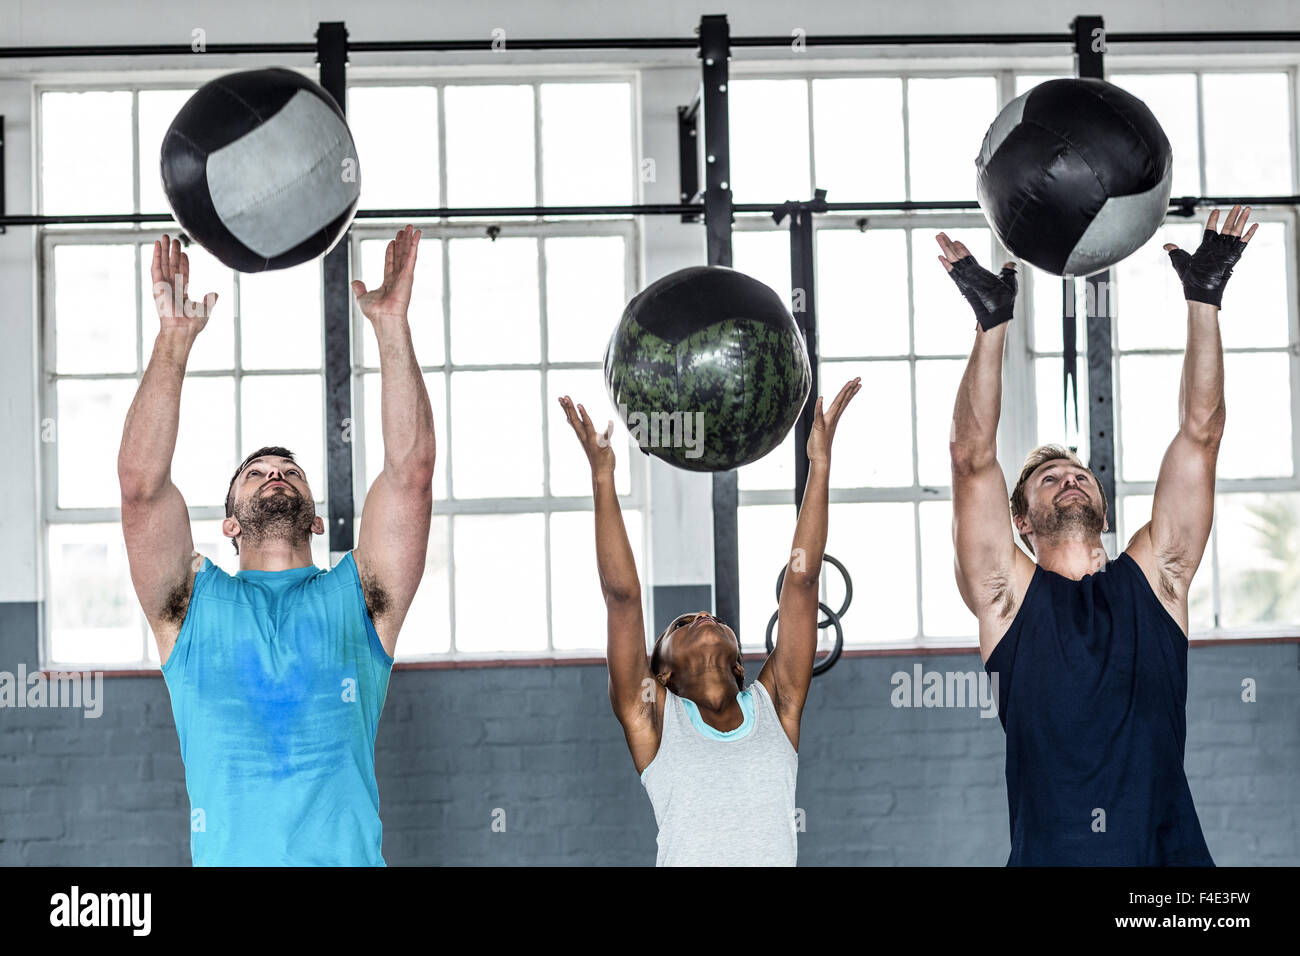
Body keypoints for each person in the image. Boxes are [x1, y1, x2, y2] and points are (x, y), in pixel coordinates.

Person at [939, 206, 1256, 866]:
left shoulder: (1158, 580)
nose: (1068, 480)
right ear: (1020, 521)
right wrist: (991, 328)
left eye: (1078, 474)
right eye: (1049, 479)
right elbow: (971, 458)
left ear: (1105, 512)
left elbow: (1201, 436)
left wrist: (1205, 301)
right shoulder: (1008, 600)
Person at [118, 226, 437, 865]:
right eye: (256, 472)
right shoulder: (189, 607)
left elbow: (411, 473)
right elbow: (141, 488)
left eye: (290, 469)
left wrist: (392, 327)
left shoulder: (361, 599)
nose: (275, 473)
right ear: (229, 523)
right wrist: (173, 344)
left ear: (317, 520)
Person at [558, 377, 860, 866]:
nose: (701, 614)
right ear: (663, 673)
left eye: (711, 617)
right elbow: (622, 598)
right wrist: (602, 477)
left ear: (741, 664)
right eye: (681, 623)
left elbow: (801, 582)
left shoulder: (776, 705)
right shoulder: (653, 715)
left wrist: (818, 467)